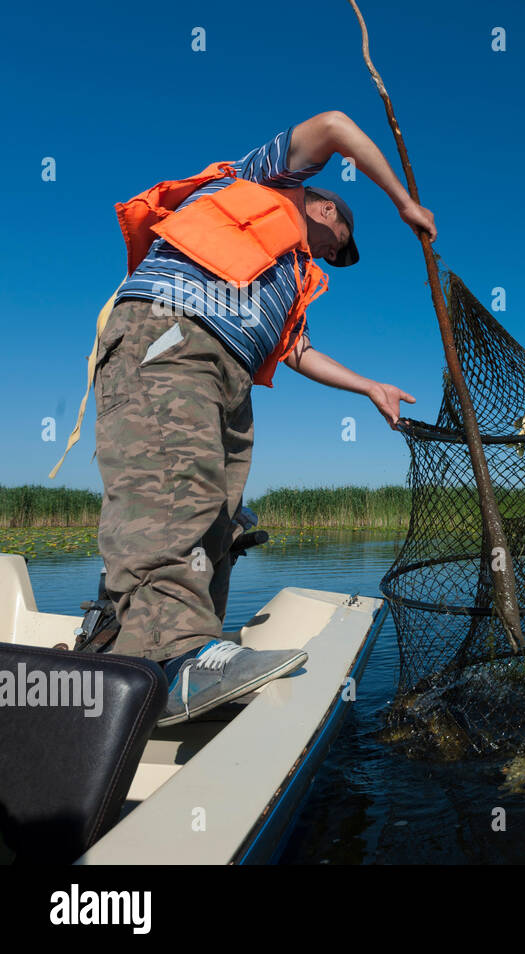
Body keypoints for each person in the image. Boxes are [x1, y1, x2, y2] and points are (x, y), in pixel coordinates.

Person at [92, 111, 430, 724]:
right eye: (340, 246)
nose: (335, 257)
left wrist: (370, 388)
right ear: (327, 211)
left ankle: (184, 652)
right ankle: (169, 661)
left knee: (221, 515)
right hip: (171, 335)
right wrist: (403, 201)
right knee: (177, 492)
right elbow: (333, 125)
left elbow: (297, 351)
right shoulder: (269, 180)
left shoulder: (290, 279)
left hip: (229, 371)